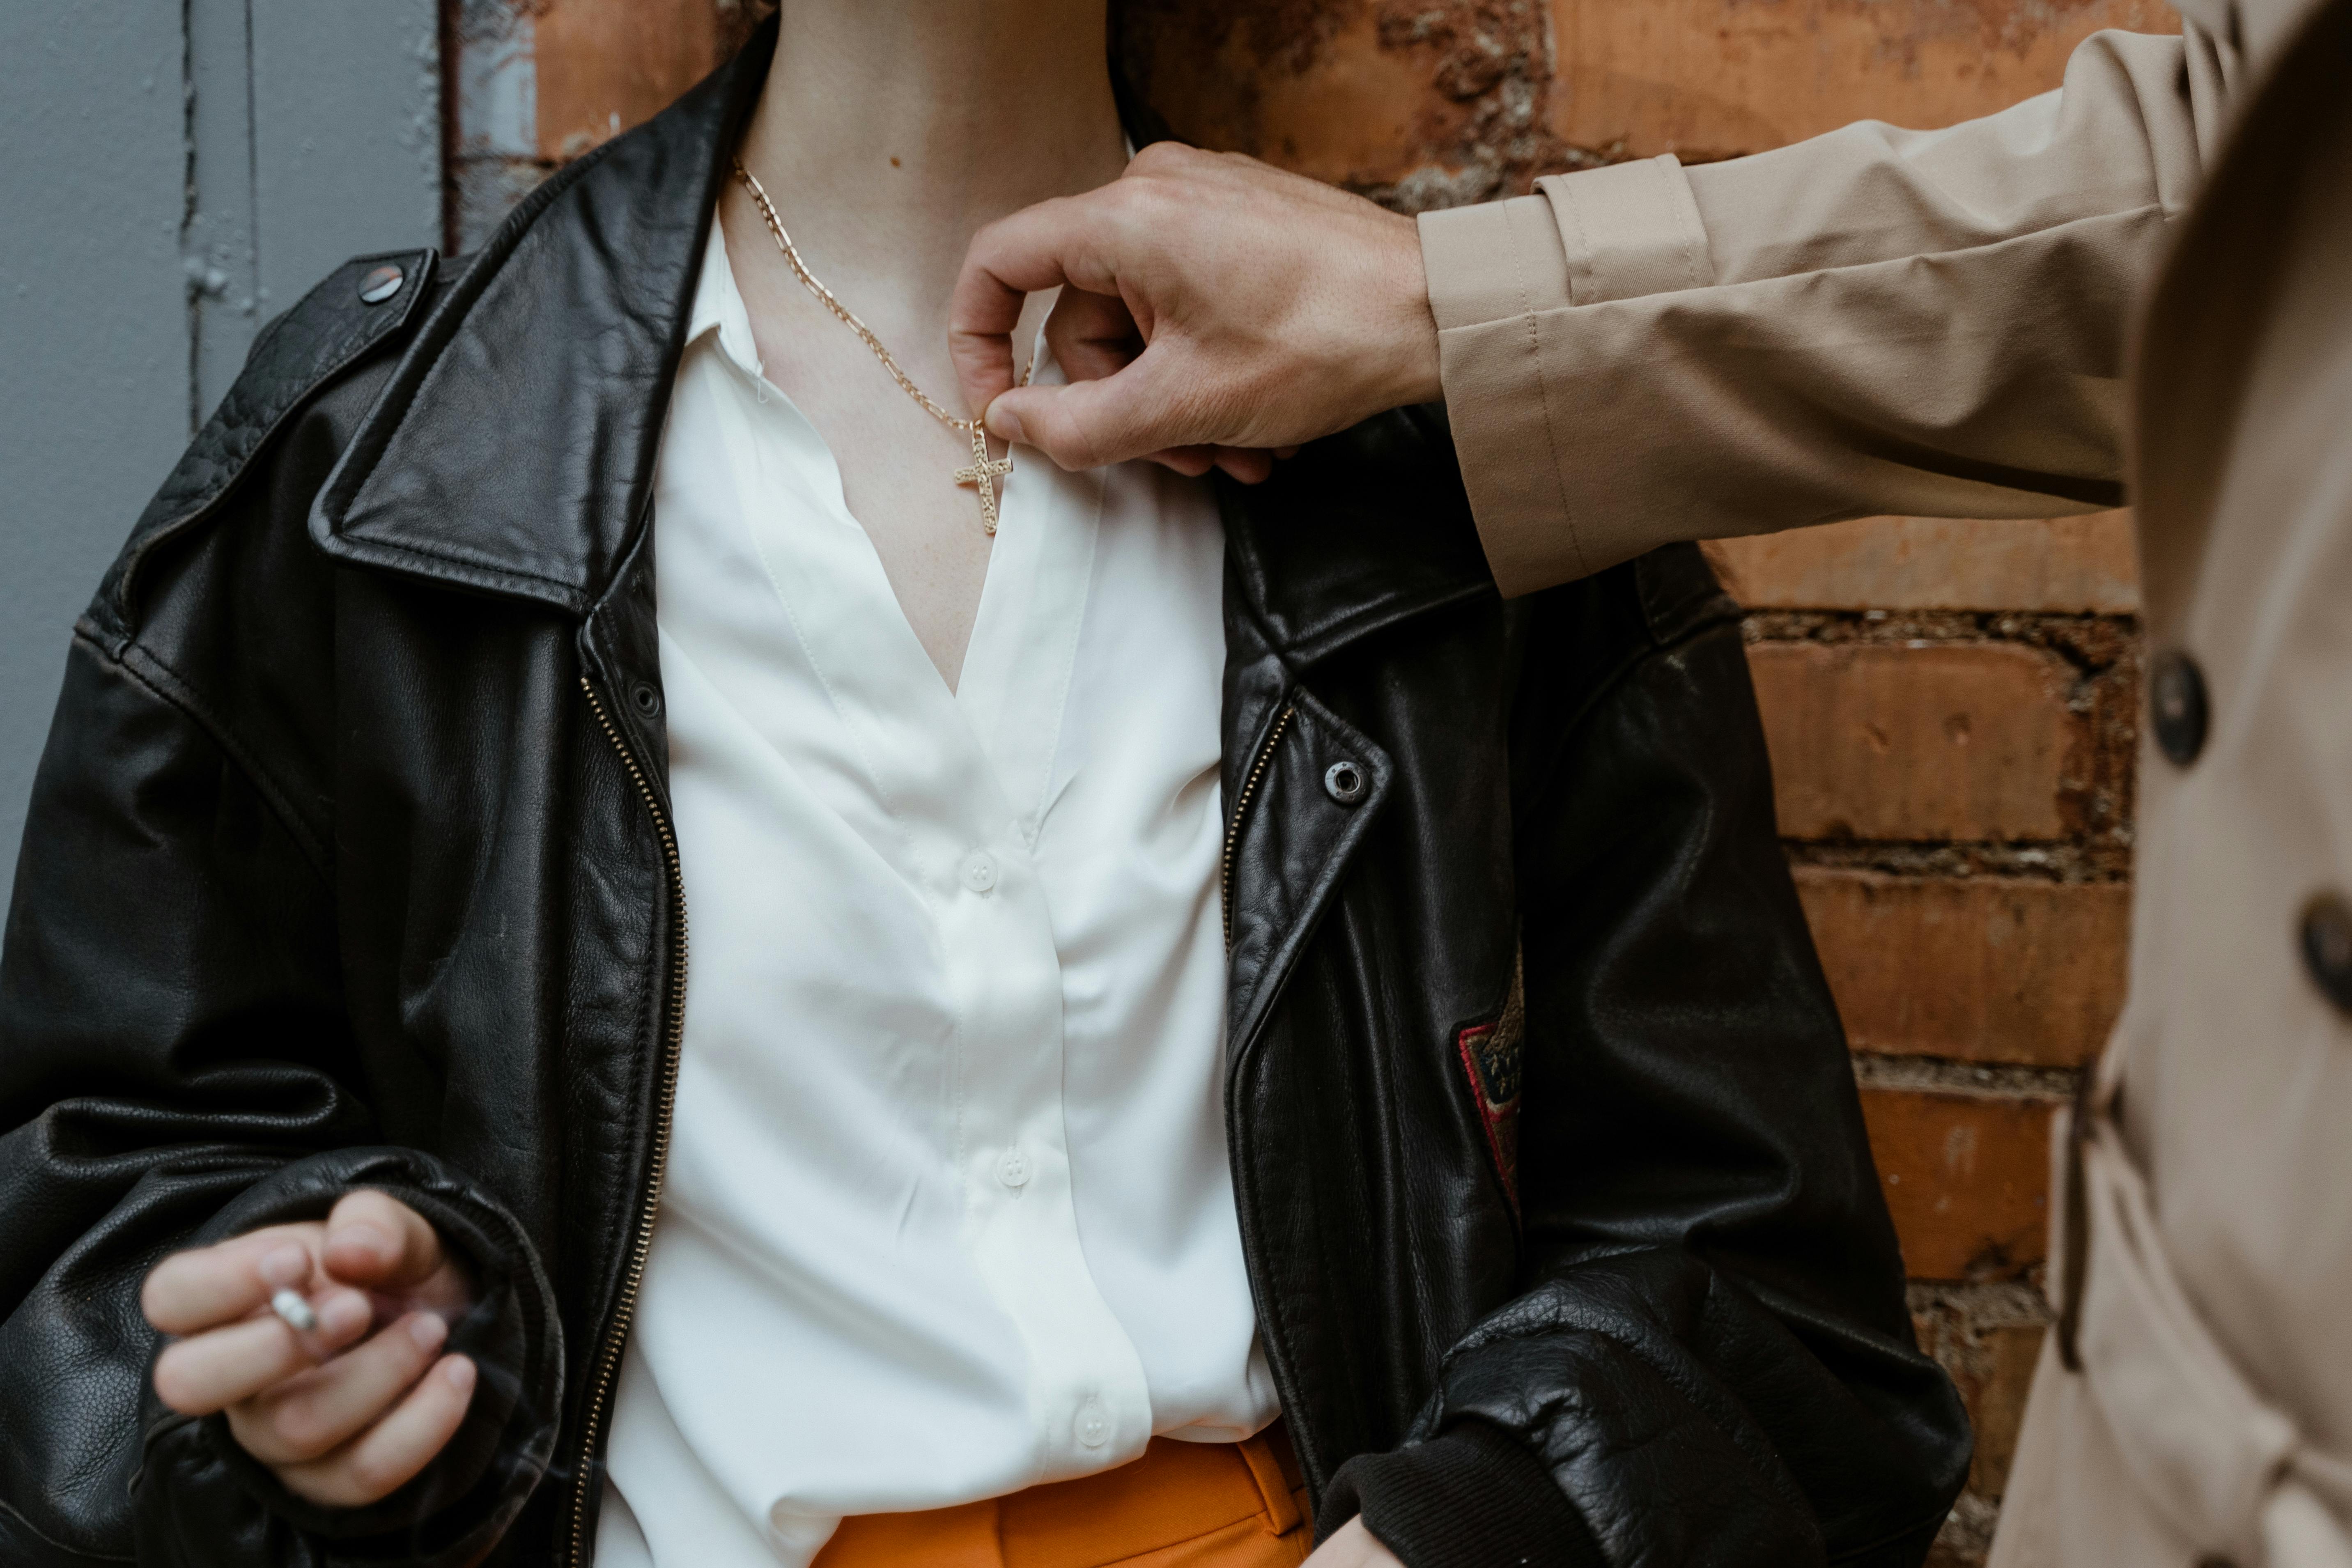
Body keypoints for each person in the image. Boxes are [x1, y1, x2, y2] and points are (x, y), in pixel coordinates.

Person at [0, 4, 1972, 1567]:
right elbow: (97, 1213)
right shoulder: (379, 472)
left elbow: (1770, 1291)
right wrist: (355, 1377)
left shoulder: (1467, 463)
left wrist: (1486, 1531)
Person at [945, 0, 2352, 1563]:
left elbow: (1761, 1275)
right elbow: (2216, 169)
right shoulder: (624, 447)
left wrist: (1478, 1520)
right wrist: (1450, 307)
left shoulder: (1448, 507)